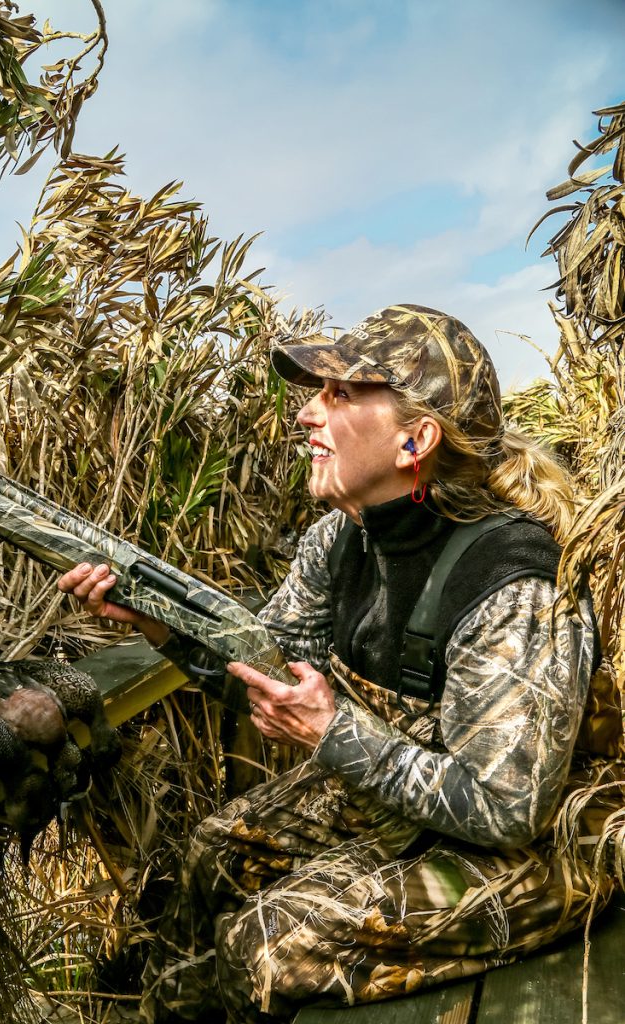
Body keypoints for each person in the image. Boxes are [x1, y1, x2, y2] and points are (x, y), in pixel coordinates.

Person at [58, 304, 620, 1024]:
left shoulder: (511, 584)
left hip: (538, 851)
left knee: (265, 947)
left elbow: (504, 809)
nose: (305, 415)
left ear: (414, 440)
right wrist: (159, 629)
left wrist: (331, 733)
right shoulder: (340, 541)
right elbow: (266, 678)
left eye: (340, 394)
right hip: (407, 798)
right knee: (216, 853)